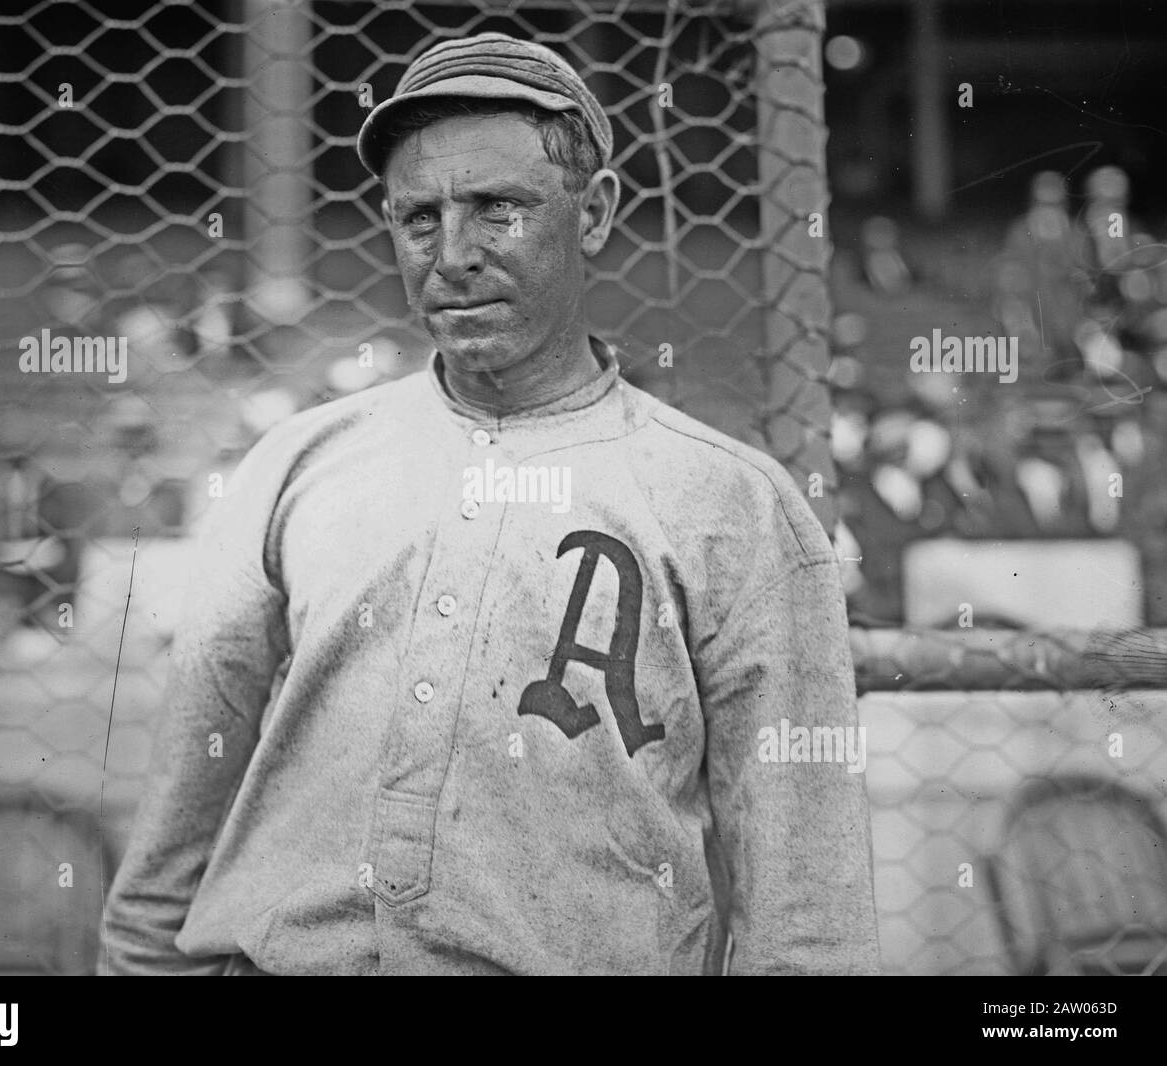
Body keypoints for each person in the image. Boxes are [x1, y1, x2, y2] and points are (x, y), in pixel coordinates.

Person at [100, 31, 880, 976]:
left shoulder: (731, 504)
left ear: (592, 215)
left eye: (498, 209)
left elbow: (808, 918)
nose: (453, 254)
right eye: (417, 218)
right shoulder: (297, 464)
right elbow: (172, 840)